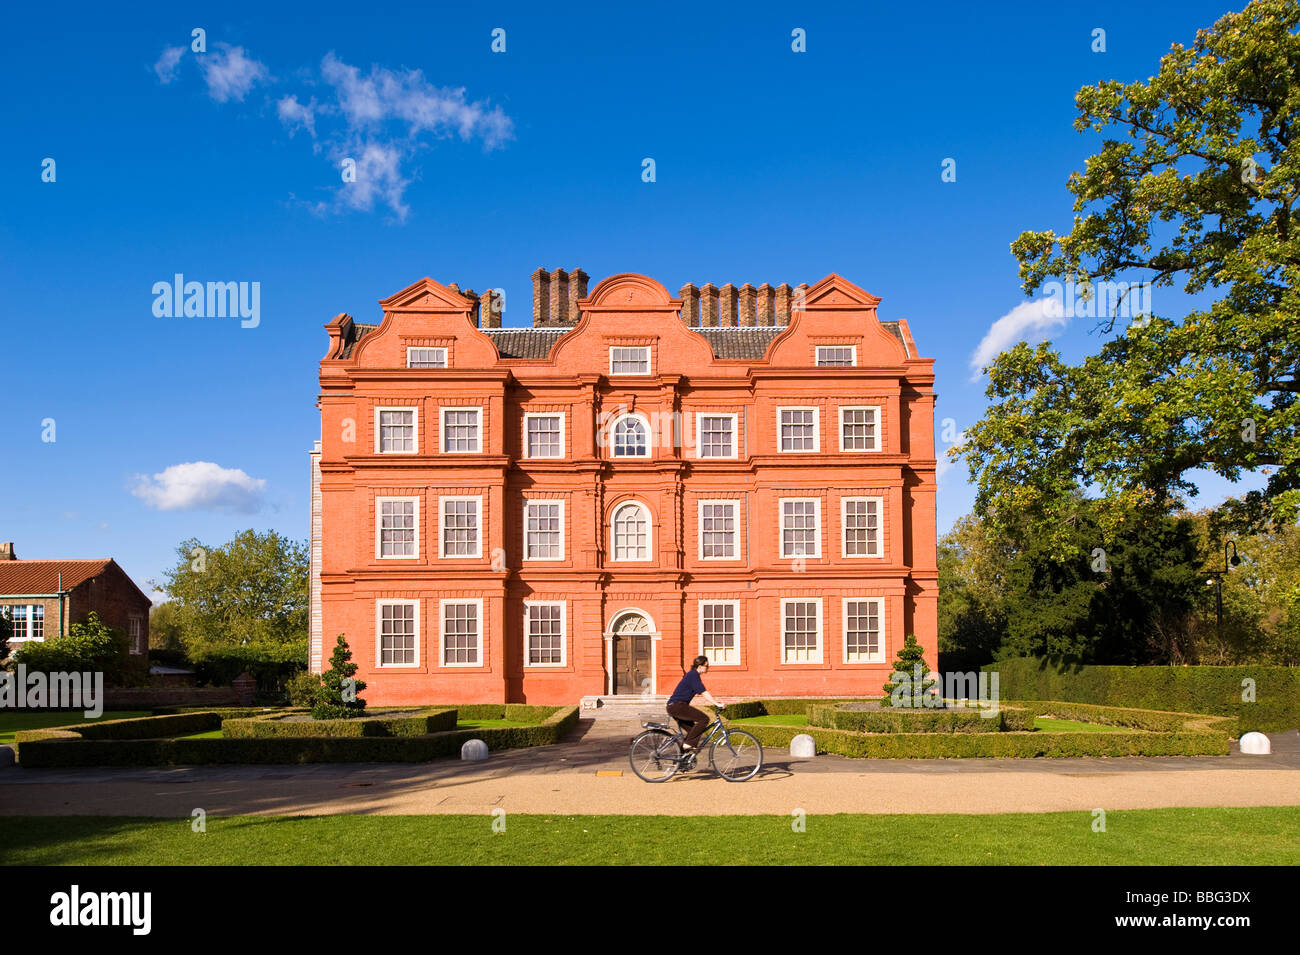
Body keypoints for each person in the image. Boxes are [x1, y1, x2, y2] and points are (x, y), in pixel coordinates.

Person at [666, 655, 724, 753]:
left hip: (674, 706)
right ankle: (686, 745)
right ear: (700, 666)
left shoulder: (692, 675)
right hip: (677, 706)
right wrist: (716, 704)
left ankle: (683, 758)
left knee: (693, 731)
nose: (708, 668)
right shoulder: (693, 675)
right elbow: (703, 692)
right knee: (704, 719)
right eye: (707, 666)